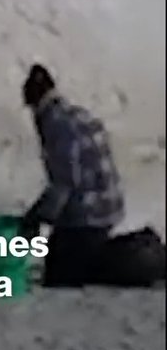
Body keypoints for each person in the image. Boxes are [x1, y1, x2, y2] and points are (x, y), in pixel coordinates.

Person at [20, 65, 125, 287]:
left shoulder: (56, 125)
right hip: (109, 209)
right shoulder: (79, 114)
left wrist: (36, 218)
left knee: (59, 281)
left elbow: (65, 183)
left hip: (88, 218)